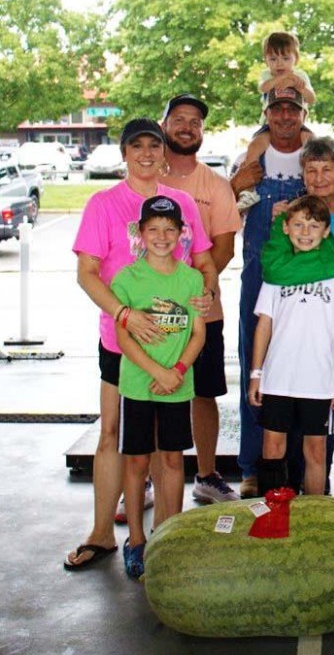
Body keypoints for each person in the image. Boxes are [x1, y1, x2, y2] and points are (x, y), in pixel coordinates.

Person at [66, 118, 217, 570]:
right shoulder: (104, 204)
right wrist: (124, 314)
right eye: (138, 146)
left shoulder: (184, 204)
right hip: (122, 343)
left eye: (155, 145)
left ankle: (166, 538)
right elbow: (87, 273)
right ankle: (102, 534)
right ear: (124, 152)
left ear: (165, 151)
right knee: (114, 434)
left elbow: (204, 261)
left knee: (168, 449)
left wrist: (206, 294)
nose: (147, 153)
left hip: (172, 350)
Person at [112, 195, 207, 579]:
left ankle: (171, 536)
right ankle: (136, 540)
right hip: (137, 385)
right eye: (153, 229)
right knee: (136, 462)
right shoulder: (126, 279)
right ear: (140, 233)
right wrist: (157, 371)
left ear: (183, 233)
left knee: (171, 461)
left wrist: (178, 369)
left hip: (178, 387)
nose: (162, 237)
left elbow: (198, 334)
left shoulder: (192, 279)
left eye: (170, 229)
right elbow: (124, 340)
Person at [262, 136, 334, 494]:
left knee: (325, 425)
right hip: (293, 343)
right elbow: (276, 269)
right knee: (286, 430)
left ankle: (317, 495)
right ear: (302, 174)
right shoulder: (288, 217)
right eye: (311, 170)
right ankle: (284, 502)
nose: (319, 178)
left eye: (327, 169)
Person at [159, 93, 242, 504]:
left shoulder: (216, 185)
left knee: (203, 392)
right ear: (164, 126)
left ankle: (207, 475)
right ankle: (144, 479)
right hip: (149, 314)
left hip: (203, 310)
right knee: (149, 393)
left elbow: (224, 249)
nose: (187, 126)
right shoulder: (146, 178)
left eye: (195, 121)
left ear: (203, 132)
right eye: (179, 119)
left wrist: (190, 292)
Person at [231, 87, 307, 499]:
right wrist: (235, 183)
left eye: (291, 109)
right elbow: (224, 211)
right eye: (276, 109)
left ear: (302, 114)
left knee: (300, 370)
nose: (283, 116)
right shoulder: (251, 160)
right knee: (255, 371)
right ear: (267, 113)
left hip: (304, 280)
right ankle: (252, 467)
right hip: (258, 280)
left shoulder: (316, 157)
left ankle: (294, 468)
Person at [237, 31, 316, 211]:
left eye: (285, 58)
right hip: (267, 126)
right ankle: (248, 191)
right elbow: (263, 87)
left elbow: (311, 99)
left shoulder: (301, 76)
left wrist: (300, 86)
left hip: (301, 126)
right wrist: (281, 79)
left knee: (314, 144)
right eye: (273, 59)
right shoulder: (267, 76)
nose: (279, 64)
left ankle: (313, 183)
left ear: (296, 59)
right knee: (255, 145)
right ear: (265, 60)